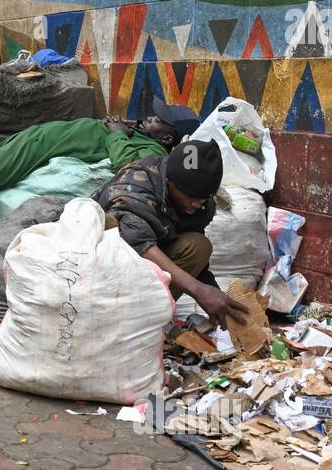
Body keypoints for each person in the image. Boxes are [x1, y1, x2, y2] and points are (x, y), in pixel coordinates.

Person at [0, 98, 201, 290]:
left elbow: (129, 168)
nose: (151, 116)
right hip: (32, 141)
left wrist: (116, 133)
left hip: (34, 152)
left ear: (167, 139)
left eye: (160, 120)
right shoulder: (138, 133)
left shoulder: (154, 154)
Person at [95, 138, 249, 328]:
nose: (196, 204)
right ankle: (117, 319)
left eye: (203, 199)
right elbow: (138, 244)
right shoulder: (134, 187)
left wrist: (217, 297)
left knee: (198, 246)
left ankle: (148, 320)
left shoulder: (199, 204)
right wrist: (199, 290)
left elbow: (197, 260)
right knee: (112, 224)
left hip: (144, 271)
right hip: (102, 271)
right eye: (191, 197)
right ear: (168, 181)